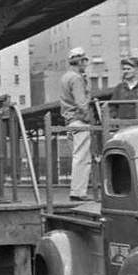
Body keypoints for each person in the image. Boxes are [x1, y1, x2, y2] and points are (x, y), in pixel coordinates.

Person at [59, 47, 94, 201]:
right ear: (79, 61)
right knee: (82, 157)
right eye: (84, 61)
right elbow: (81, 103)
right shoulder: (77, 79)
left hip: (69, 121)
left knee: (77, 156)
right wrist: (88, 118)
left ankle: (76, 190)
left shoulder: (65, 77)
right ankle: (78, 192)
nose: (85, 64)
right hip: (80, 120)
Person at [110, 56, 138, 122]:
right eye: (124, 69)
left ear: (136, 70)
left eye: (128, 69)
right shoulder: (119, 88)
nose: (125, 71)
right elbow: (112, 108)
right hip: (123, 125)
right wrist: (115, 121)